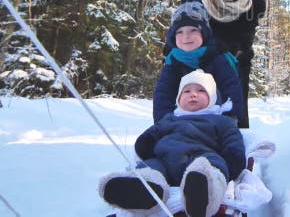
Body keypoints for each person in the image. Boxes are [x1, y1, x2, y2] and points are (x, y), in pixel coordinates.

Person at [98, 70, 246, 217]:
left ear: (213, 98)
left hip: (202, 157)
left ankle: (204, 193)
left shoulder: (220, 120)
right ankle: (144, 190)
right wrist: (145, 144)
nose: (193, 94)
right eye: (187, 91)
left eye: (201, 90)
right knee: (150, 166)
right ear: (179, 99)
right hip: (163, 160)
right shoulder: (170, 119)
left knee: (214, 165)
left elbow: (232, 139)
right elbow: (151, 135)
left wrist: (233, 157)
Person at [152, 0, 244, 124]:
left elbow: (231, 87)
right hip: (181, 120)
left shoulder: (217, 56)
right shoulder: (173, 60)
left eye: (193, 30)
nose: (186, 36)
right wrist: (163, 122)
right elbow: (164, 92)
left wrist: (230, 116)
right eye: (180, 32)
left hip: (216, 119)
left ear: (204, 33)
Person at [201, 0, 267, 128]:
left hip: (236, 69)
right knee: (203, 120)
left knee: (234, 122)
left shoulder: (251, 5)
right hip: (204, 69)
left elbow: (243, 42)